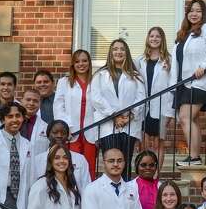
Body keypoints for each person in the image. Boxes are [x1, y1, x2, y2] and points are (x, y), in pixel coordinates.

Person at [171, 0, 206, 166]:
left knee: (185, 117)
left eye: (198, 11)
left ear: (203, 14)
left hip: (198, 81)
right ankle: (195, 156)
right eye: (191, 10)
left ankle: (194, 157)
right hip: (182, 82)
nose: (194, 14)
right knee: (193, 120)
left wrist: (203, 67)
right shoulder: (183, 34)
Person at [90, 39, 144, 173]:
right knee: (110, 163)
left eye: (122, 49)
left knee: (125, 164)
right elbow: (96, 98)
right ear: (110, 52)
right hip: (108, 125)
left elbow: (141, 98)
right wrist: (114, 116)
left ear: (127, 53)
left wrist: (130, 116)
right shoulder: (100, 75)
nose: (118, 52)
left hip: (129, 125)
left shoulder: (136, 76)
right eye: (115, 49)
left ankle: (125, 193)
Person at [54, 50, 98, 175]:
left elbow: (100, 106)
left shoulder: (96, 82)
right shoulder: (64, 82)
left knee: (89, 169)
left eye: (84, 61)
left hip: (90, 132)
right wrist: (66, 127)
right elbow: (58, 106)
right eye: (77, 61)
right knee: (72, 167)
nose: (81, 64)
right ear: (73, 64)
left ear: (89, 63)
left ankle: (88, 194)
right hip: (72, 132)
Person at [136, 27, 173, 169]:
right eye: (151, 36)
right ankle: (145, 173)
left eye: (158, 36)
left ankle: (157, 175)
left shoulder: (169, 60)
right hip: (144, 106)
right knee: (143, 142)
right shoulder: (140, 60)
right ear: (148, 38)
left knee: (159, 143)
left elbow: (172, 85)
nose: (154, 38)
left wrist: (170, 111)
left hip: (162, 106)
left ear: (162, 39)